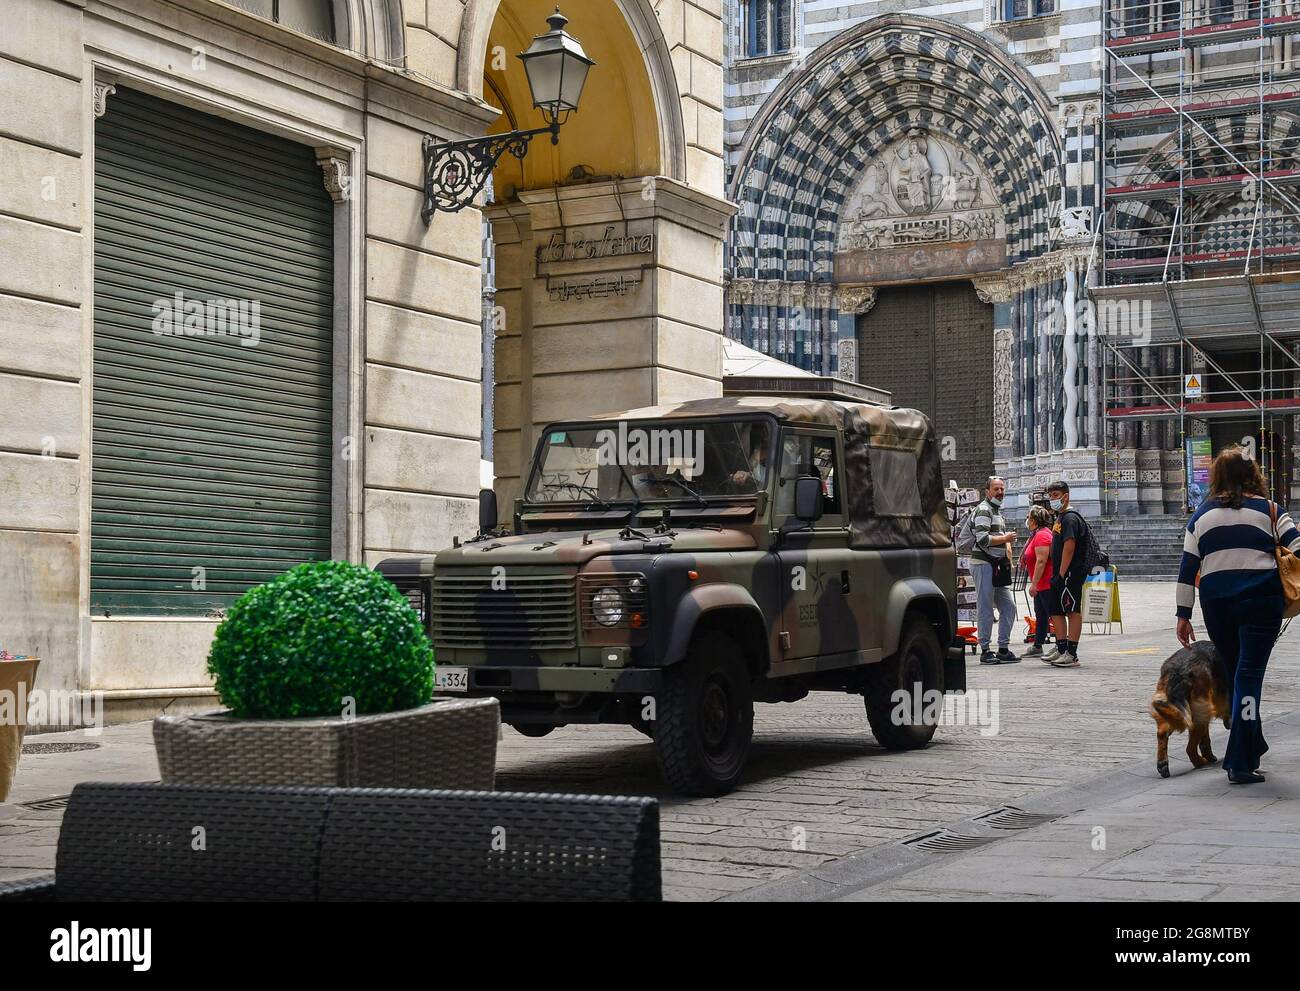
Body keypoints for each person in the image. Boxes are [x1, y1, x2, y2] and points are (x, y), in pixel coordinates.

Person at [1175, 447, 1300, 784]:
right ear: (1253, 474)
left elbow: (1187, 569)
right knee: (1248, 677)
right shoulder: (1272, 511)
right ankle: (1241, 759)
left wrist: (1182, 615)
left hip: (1217, 608)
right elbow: (1299, 548)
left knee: (1236, 674)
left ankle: (1251, 742)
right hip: (1261, 603)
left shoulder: (1200, 517)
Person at [970, 476, 1019, 664]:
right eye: (996, 489)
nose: (1000, 492)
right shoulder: (984, 509)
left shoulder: (997, 511)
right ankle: (985, 650)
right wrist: (1005, 538)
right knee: (985, 607)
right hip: (983, 564)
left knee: (1009, 606)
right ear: (987, 491)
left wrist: (1007, 552)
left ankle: (1003, 649)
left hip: (997, 565)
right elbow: (982, 539)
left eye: (1002, 488)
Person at [1044, 480, 1088, 668]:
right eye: (1050, 496)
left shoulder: (1070, 518)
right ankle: (1061, 648)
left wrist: (1062, 573)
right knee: (1056, 610)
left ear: (1065, 496)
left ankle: (1072, 653)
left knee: (1072, 610)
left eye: (1055, 495)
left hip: (1070, 573)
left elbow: (1069, 547)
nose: (1052, 499)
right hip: (1058, 573)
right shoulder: (1059, 517)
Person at [1021, 505, 1056, 660]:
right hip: (1041, 583)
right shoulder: (1036, 535)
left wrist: (1034, 584)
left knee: (1054, 615)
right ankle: (1038, 645)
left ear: (1034, 520)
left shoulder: (1042, 536)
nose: (1027, 520)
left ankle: (1061, 644)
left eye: (1028, 517)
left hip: (1046, 582)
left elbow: (1041, 561)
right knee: (1041, 614)